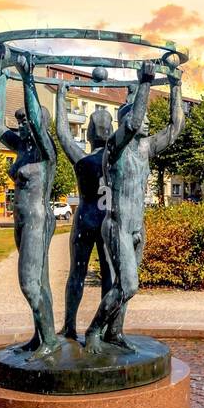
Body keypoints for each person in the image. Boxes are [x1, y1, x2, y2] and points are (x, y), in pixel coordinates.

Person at [83, 61, 184, 353]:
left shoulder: (145, 148)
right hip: (116, 226)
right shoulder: (116, 148)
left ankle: (114, 333)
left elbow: (176, 127)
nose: (146, 121)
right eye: (140, 116)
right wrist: (144, 84)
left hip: (138, 228)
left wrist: (176, 86)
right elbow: (134, 122)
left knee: (124, 289)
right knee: (128, 285)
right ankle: (93, 331)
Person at [0, 50, 60, 358]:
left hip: (37, 219)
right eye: (18, 122)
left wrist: (28, 78)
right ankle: (42, 336)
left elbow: (35, 118)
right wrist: (1, 79)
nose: (19, 126)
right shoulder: (21, 148)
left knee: (30, 283)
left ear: (38, 125)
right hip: (22, 219)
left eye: (25, 122)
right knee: (39, 281)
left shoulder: (45, 152)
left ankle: (50, 341)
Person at [53, 83, 113, 339]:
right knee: (109, 274)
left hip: (85, 219)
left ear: (88, 134)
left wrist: (60, 97)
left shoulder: (81, 159)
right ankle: (107, 327)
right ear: (110, 133)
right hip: (108, 219)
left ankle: (69, 325)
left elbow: (62, 133)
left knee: (76, 272)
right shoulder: (116, 159)